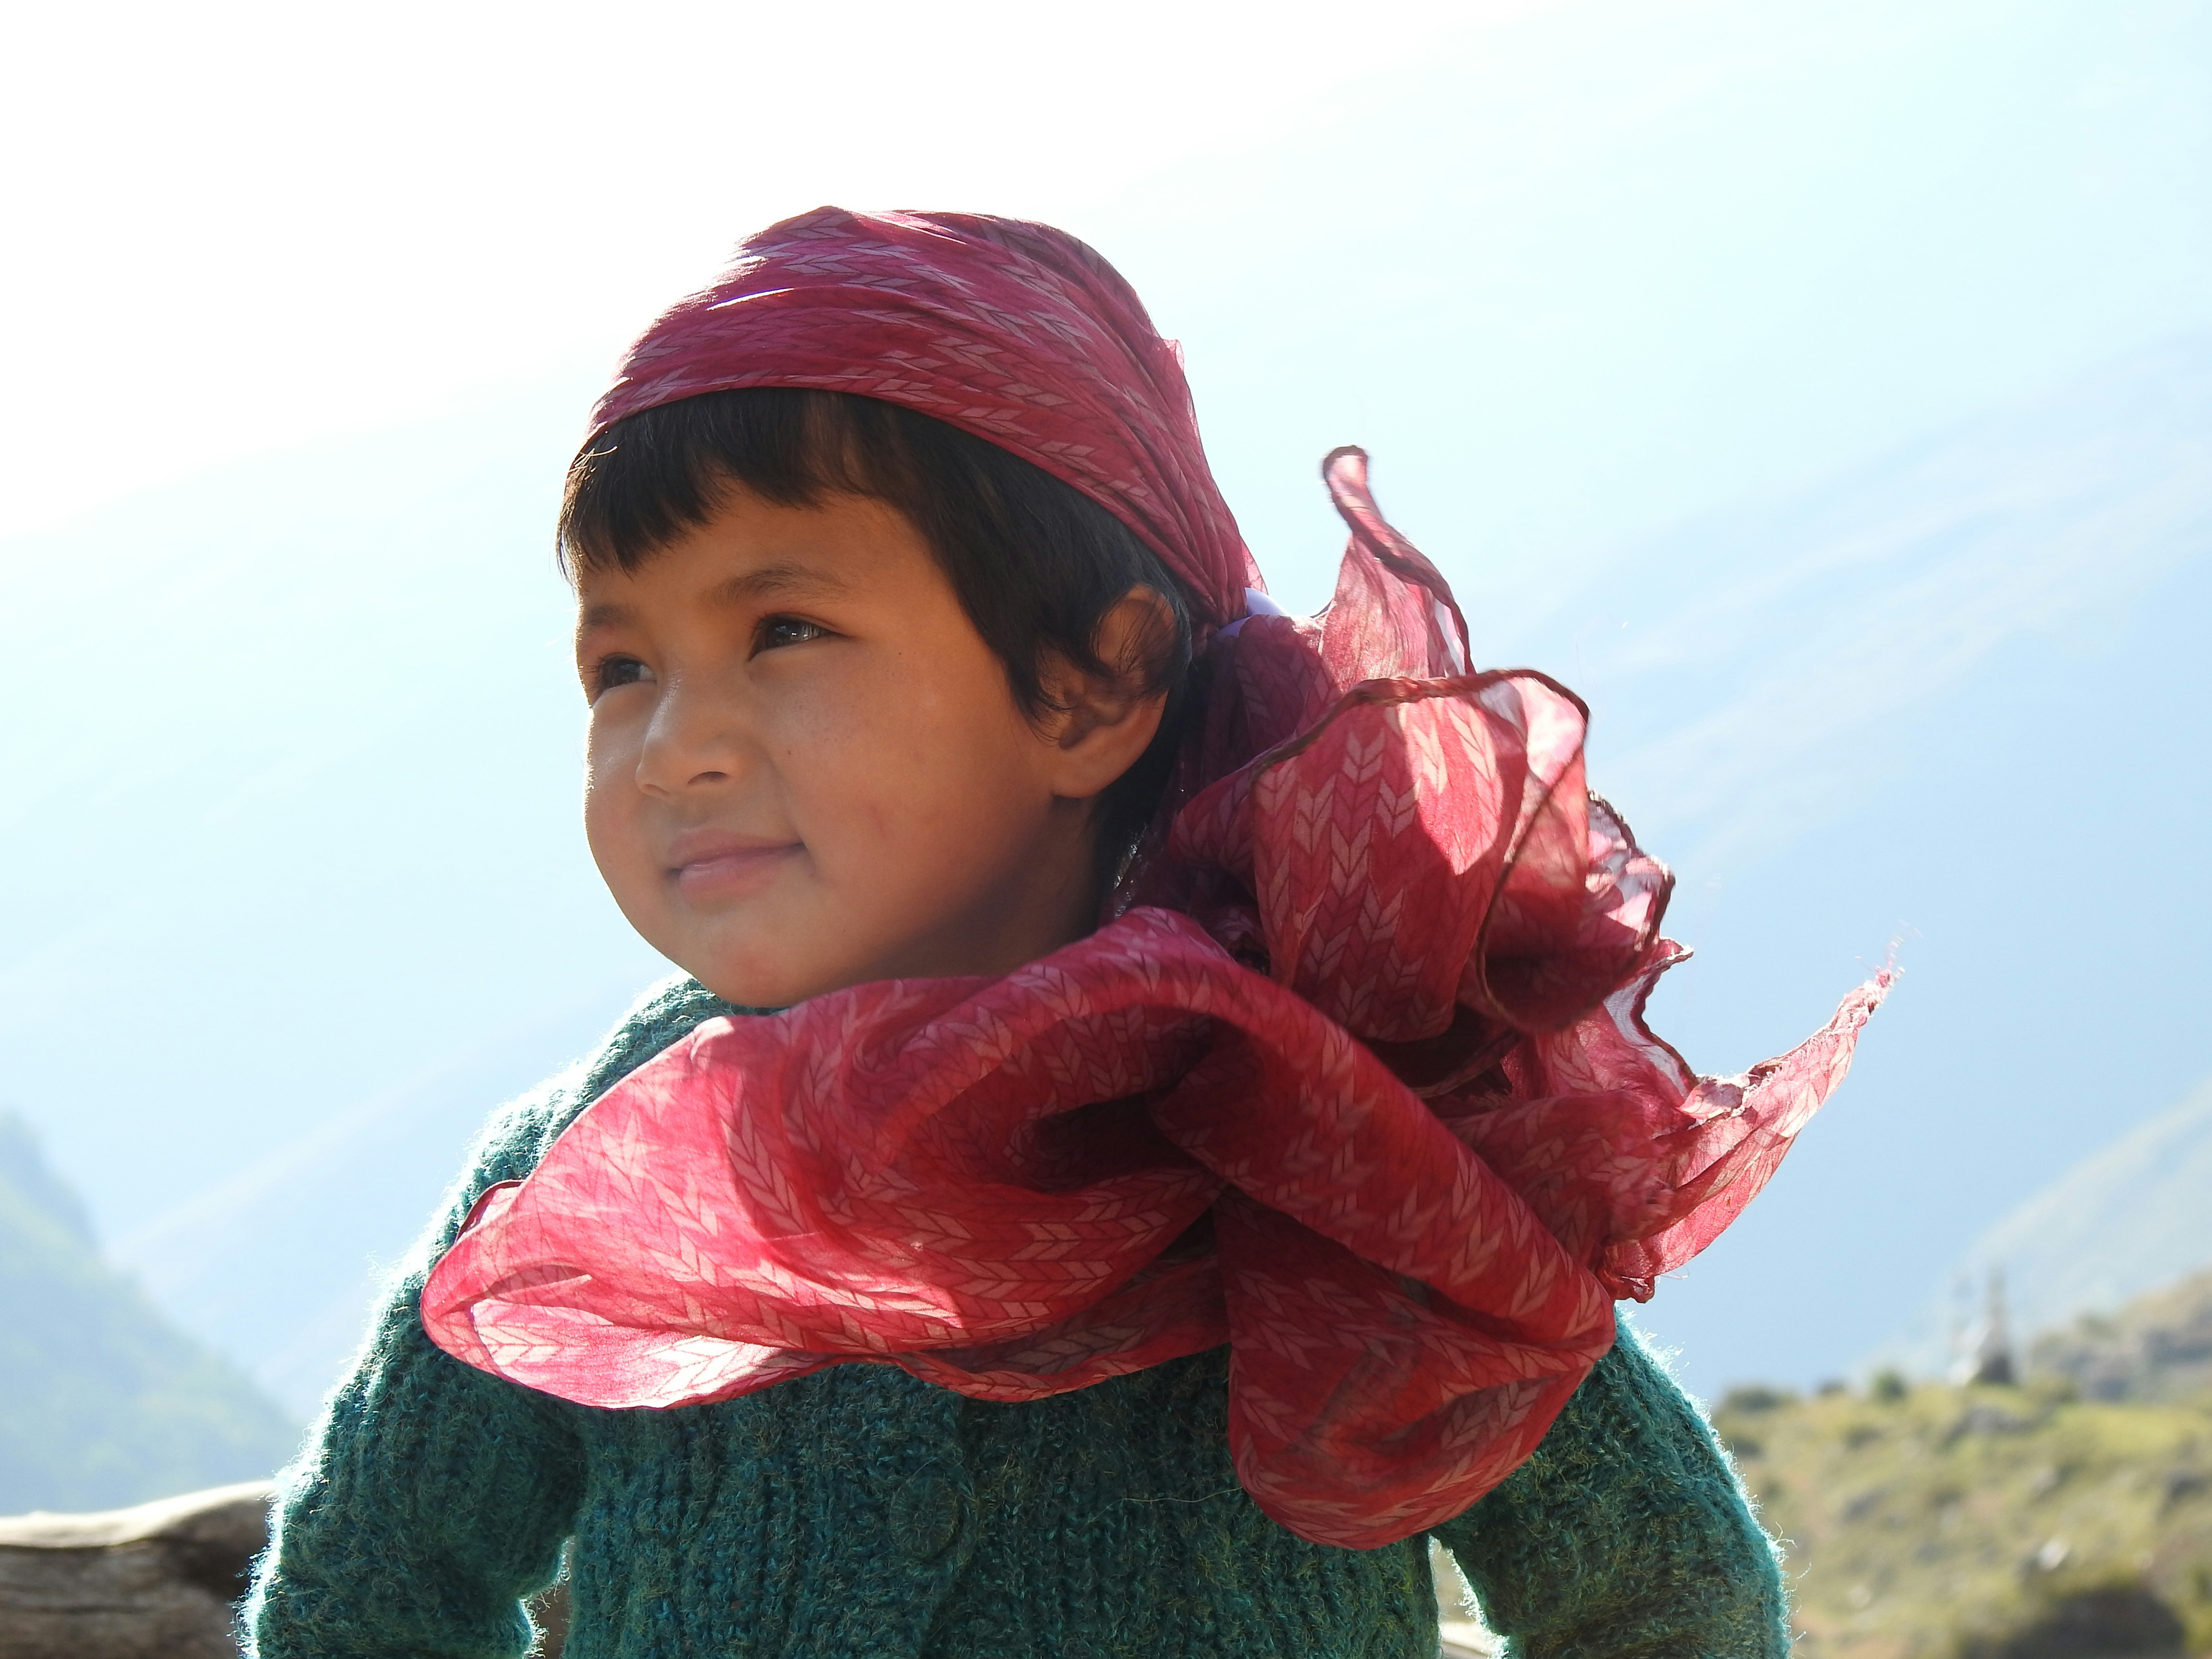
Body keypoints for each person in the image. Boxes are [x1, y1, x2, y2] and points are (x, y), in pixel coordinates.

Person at [244, 208, 1885, 1659]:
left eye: (786, 629)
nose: (677, 741)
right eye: (622, 668)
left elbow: (1666, 1597)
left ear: (1094, 684)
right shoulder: (599, 1179)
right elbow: (360, 1606)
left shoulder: (1302, 1130)